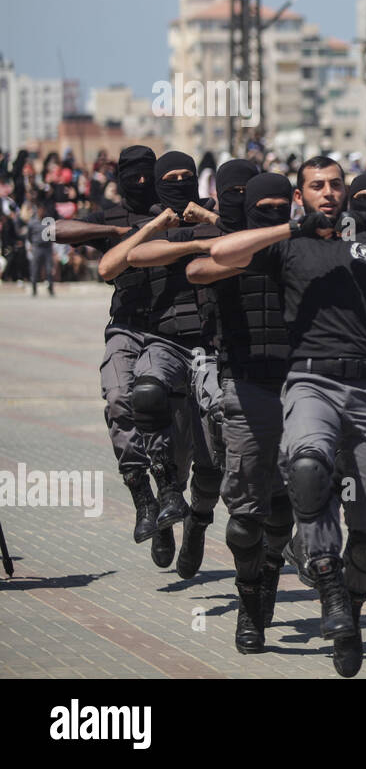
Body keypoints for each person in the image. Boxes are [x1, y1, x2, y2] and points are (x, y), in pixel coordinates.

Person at [208, 154, 366, 677]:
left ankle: (352, 604)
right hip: (311, 381)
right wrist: (287, 226)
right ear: (301, 195)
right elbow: (219, 252)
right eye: (316, 185)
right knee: (307, 470)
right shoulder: (289, 241)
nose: (327, 192)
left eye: (335, 185)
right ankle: (328, 588)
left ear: (346, 191)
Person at [186, 169, 296, 654]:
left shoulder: (307, 247)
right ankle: (249, 605)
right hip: (245, 384)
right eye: (262, 207)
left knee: (290, 500)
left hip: (303, 388)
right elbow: (198, 271)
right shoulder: (230, 248)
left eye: (281, 206)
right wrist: (264, 248)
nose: (273, 213)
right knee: (246, 514)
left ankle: (270, 570)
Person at [99, 152, 222, 573]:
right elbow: (112, 264)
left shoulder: (214, 215)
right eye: (170, 178)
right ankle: (159, 505)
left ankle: (198, 527)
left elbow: (246, 236)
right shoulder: (149, 229)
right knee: (138, 405)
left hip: (212, 347)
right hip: (163, 343)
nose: (181, 183)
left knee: (211, 453)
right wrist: (157, 227)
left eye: (188, 177)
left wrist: (204, 218)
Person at [53, 146, 159, 548]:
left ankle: (177, 504)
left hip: (178, 334)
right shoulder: (110, 216)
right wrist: (114, 235)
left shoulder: (175, 208)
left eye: (147, 173)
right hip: (127, 327)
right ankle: (142, 497)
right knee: (118, 399)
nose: (141, 181)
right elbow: (51, 230)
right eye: (131, 174)